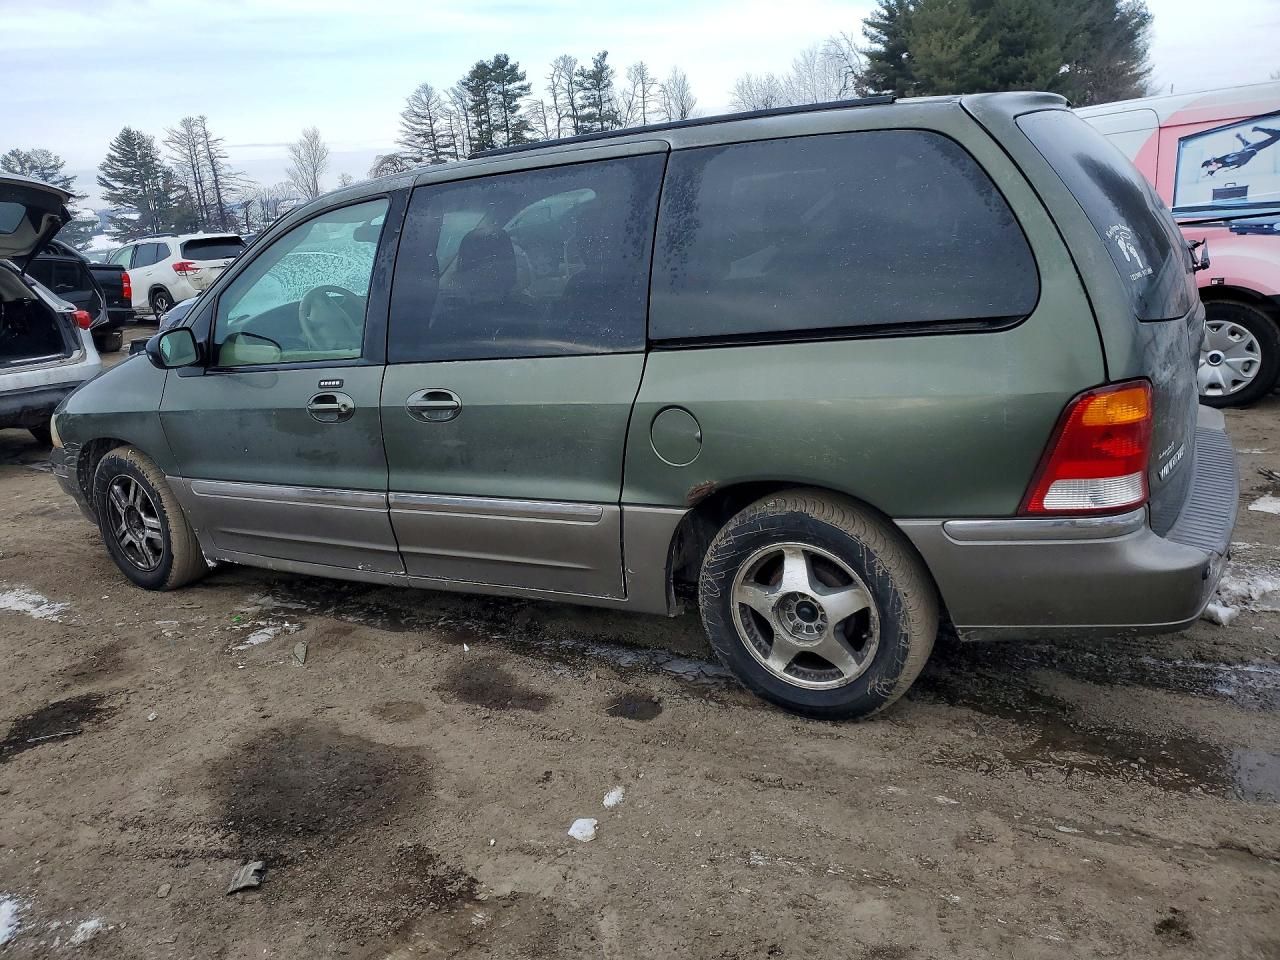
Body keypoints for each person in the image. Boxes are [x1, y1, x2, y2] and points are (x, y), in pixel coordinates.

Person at [1201, 126, 1280, 176]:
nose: (1210, 170)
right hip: (1247, 151)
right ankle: (1241, 137)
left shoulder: (1225, 160)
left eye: (1209, 168)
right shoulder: (1219, 166)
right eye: (1209, 170)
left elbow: (1241, 157)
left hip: (1249, 151)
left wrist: (1251, 153)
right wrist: (1208, 173)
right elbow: (1213, 170)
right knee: (1265, 142)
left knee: (1273, 139)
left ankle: (1259, 129)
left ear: (1212, 163)